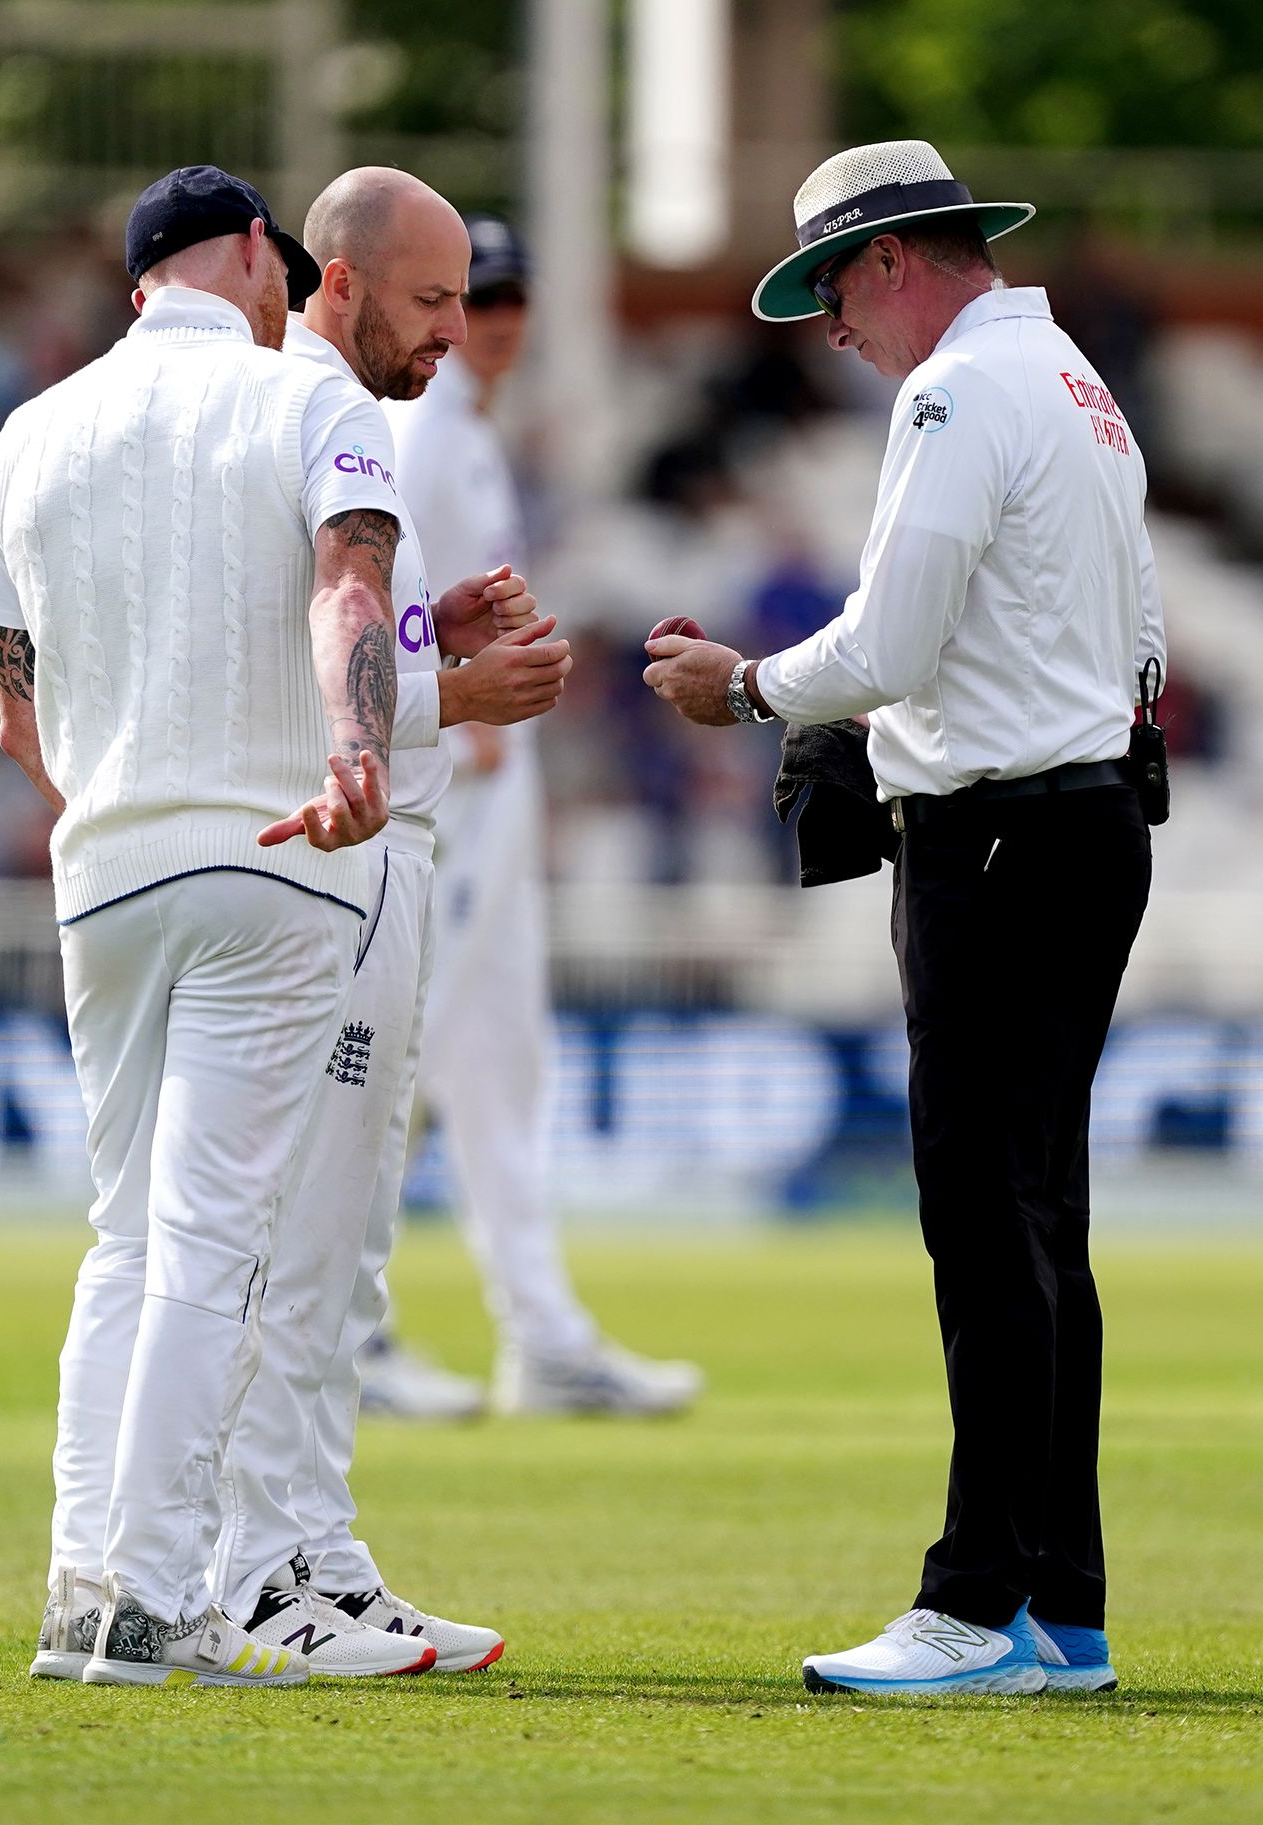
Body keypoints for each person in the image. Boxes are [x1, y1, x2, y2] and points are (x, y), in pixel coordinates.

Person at [644, 140, 1162, 1697]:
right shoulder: (1074, 380)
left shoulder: (956, 395)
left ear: (886, 262)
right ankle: (1061, 1607)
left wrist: (742, 689)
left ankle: (980, 1601)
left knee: (984, 1227)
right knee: (1040, 1224)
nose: (832, 334)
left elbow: (893, 635)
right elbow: (1128, 643)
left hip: (999, 849)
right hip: (1078, 823)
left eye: (830, 294)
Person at [0, 166, 422, 1686]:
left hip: (100, 867)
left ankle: (80, 1586)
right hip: (273, 852)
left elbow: (13, 698)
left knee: (121, 1240)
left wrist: (107, 798)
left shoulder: (33, 429)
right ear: (246, 257)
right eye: (279, 269)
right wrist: (356, 749)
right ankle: (155, 1601)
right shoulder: (303, 403)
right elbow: (349, 580)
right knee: (213, 1243)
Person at [208, 171, 574, 1671]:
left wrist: (443, 637)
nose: (458, 333)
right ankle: (267, 1569)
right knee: (310, 1234)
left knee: (343, 1236)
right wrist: (460, 694)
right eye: (434, 302)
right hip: (346, 849)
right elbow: (288, 661)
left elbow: (355, 630)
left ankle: (311, 1554)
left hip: (378, 845)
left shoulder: (335, 414)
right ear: (337, 281)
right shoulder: (324, 416)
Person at [360, 214, 704, 1419]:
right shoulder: (416, 428)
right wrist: (465, 730)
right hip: (445, 774)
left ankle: (542, 1334)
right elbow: (373, 604)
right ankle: (349, 1327)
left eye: (508, 298)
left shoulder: (461, 429)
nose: (494, 322)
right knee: (400, 1060)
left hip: (488, 781)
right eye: (474, 297)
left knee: (501, 1062)